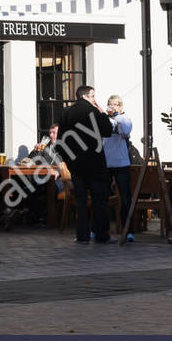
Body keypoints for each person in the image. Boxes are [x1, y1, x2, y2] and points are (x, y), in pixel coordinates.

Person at [57, 85, 115, 244]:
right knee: (99, 201)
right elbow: (108, 130)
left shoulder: (66, 113)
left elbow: (60, 142)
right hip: (95, 164)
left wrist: (69, 162)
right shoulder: (94, 112)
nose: (95, 100)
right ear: (85, 97)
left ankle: (82, 235)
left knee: (81, 201)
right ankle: (101, 235)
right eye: (93, 96)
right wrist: (102, 112)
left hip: (76, 165)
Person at [102, 95, 135, 242]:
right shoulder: (105, 119)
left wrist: (115, 117)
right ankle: (99, 229)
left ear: (121, 107)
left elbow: (125, 132)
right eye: (110, 104)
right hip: (106, 162)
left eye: (115, 104)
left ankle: (128, 231)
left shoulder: (124, 119)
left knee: (125, 198)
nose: (112, 107)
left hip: (121, 163)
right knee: (102, 197)